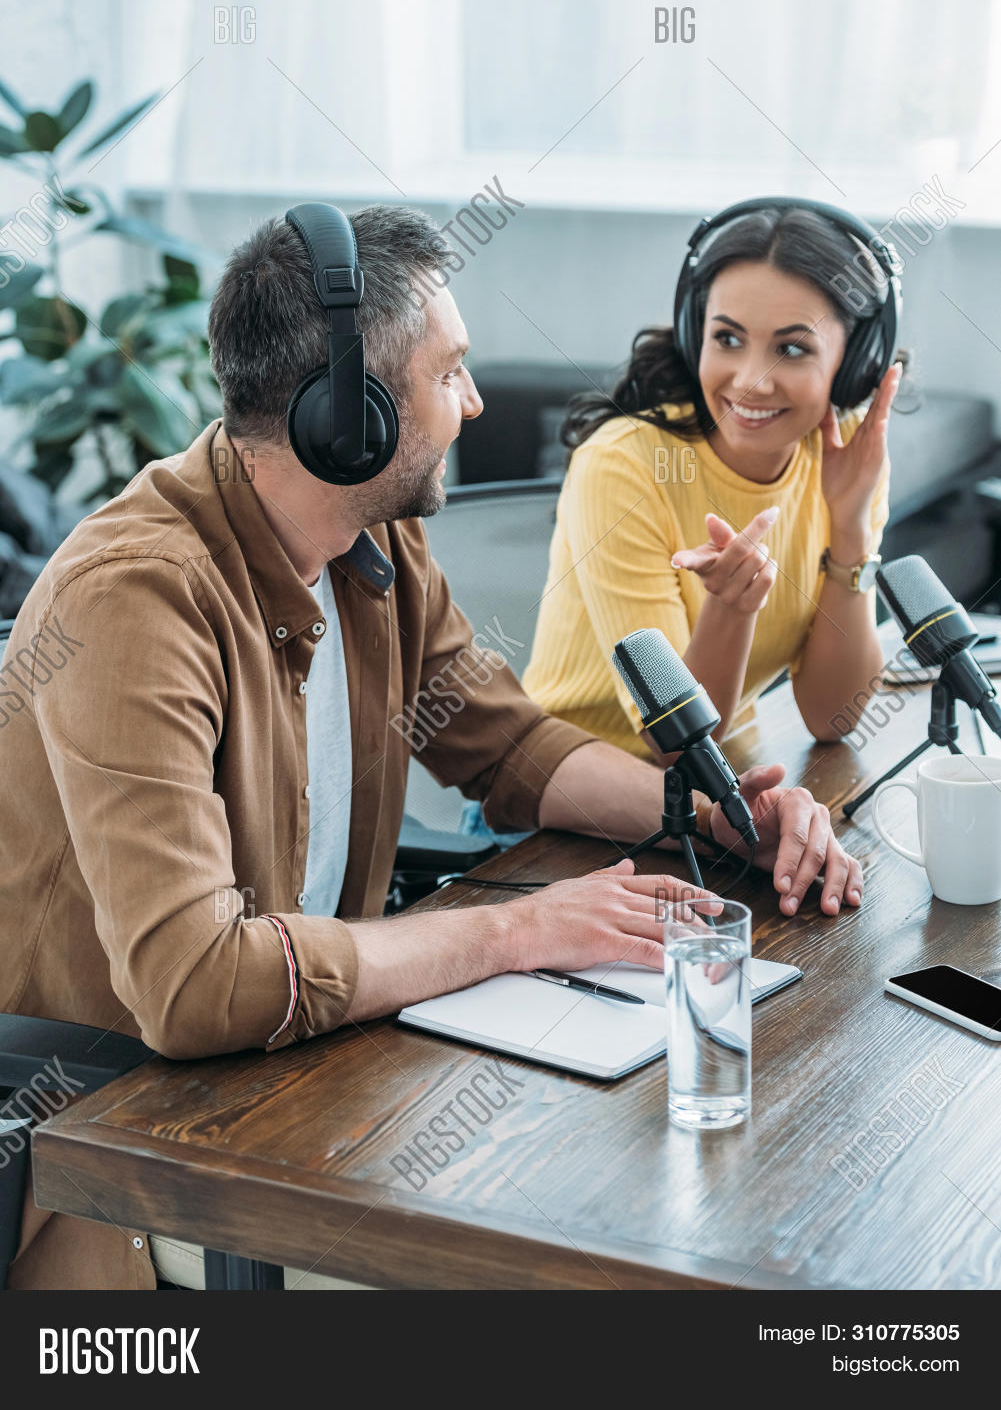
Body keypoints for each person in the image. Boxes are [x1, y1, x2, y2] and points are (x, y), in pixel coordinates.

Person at [0, 203, 861, 1290]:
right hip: (121, 1146)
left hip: (301, 1080)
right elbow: (194, 984)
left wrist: (709, 812)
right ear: (345, 420)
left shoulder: (373, 544)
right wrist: (516, 932)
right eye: (449, 371)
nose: (475, 400)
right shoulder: (138, 600)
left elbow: (508, 751)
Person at [524, 198, 904, 765]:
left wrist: (850, 529)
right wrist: (731, 607)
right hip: (563, 805)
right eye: (727, 338)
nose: (752, 382)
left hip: (721, 786)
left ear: (853, 366)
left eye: (793, 349)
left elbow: (835, 716)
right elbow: (677, 745)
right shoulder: (624, 468)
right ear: (693, 333)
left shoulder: (846, 458)